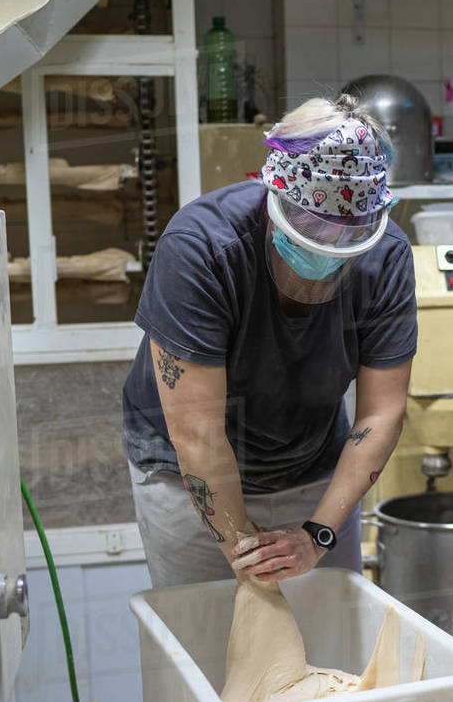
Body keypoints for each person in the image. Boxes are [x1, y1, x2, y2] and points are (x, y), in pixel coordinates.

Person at [121, 94, 416, 588]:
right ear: (273, 198)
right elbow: (197, 435)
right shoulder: (201, 248)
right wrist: (242, 547)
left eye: (346, 244)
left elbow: (381, 413)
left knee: (330, 646)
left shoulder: (385, 258)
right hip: (188, 474)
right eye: (308, 235)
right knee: (210, 646)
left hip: (314, 468)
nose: (328, 254)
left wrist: (317, 534)